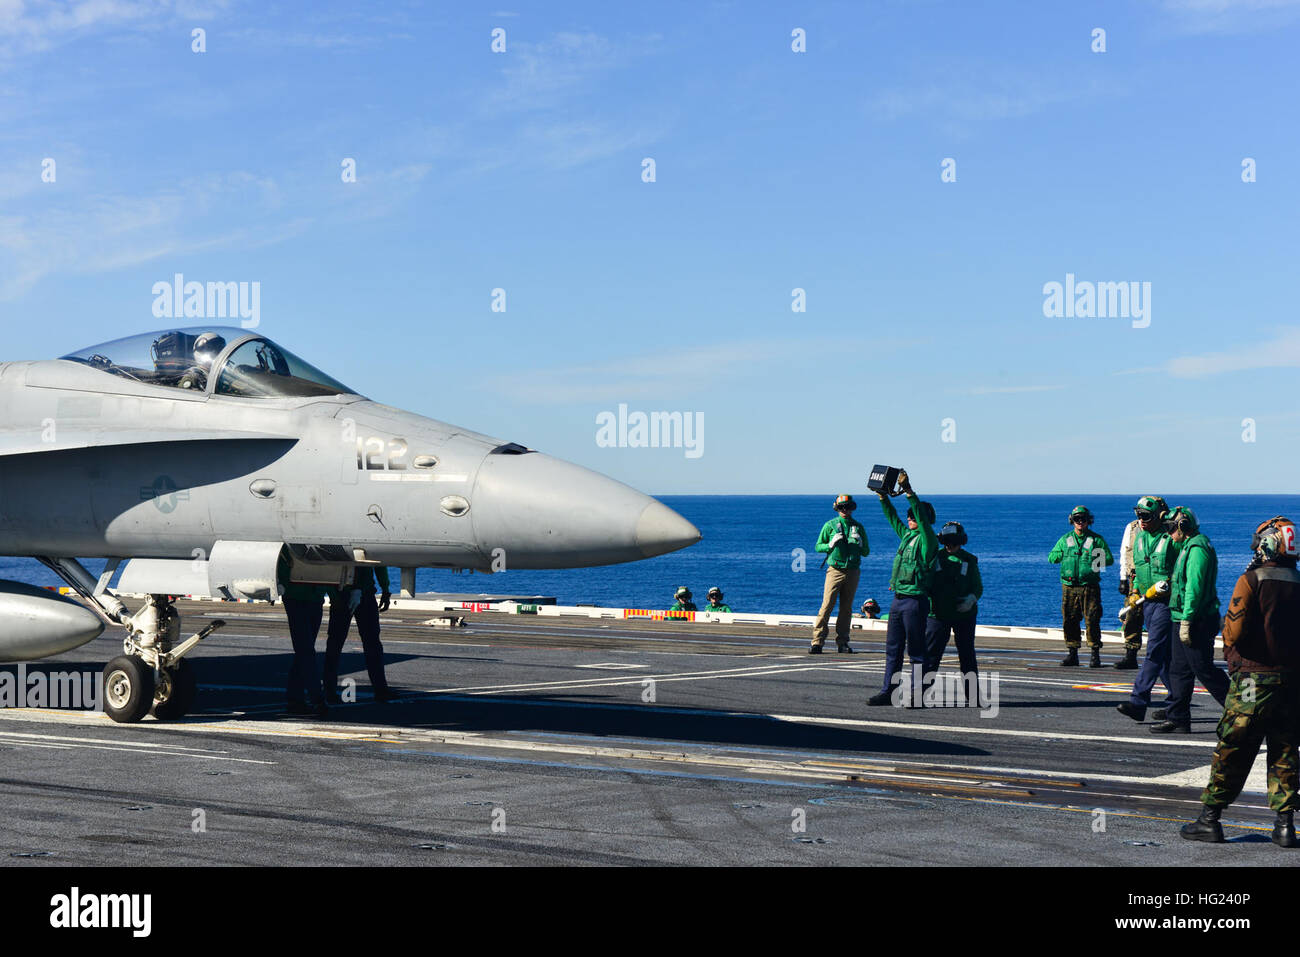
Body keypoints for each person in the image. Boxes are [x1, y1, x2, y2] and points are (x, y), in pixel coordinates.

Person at [1181, 516, 1300, 847]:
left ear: (1267, 544)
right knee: (1286, 750)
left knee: (1233, 747)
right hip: (1290, 681)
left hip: (1252, 680)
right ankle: (1285, 826)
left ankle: (1209, 820)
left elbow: (1232, 631)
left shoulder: (1252, 580)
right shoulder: (1298, 581)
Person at [1151, 506, 1229, 733]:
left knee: (1203, 668)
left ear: (1183, 526)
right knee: (1179, 670)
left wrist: (1187, 620)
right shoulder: (1186, 547)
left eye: (1170, 527)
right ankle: (1178, 719)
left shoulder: (1197, 550)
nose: (1168, 532)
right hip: (1182, 617)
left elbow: (1194, 589)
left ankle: (1241, 712)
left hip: (1196, 620)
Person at [868, 471, 937, 706]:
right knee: (893, 649)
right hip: (898, 600)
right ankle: (888, 691)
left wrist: (909, 492)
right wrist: (883, 498)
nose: (909, 519)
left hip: (915, 601)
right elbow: (893, 519)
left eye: (913, 516)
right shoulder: (907, 536)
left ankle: (918, 695)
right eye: (909, 517)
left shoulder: (928, 541)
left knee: (916, 651)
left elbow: (922, 520)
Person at [1117, 496, 1180, 723]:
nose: (1141, 520)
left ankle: (1138, 701)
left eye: (1146, 516)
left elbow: (1183, 568)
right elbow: (1137, 568)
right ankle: (1177, 702)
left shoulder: (1172, 538)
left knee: (1154, 651)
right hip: (1147, 602)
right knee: (1163, 658)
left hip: (1166, 602)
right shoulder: (1140, 537)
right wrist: (1133, 592)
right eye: (1139, 515)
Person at [1048, 505, 1114, 667]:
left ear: (1088, 521)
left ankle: (1094, 654)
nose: (1080, 522)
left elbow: (1109, 560)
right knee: (1069, 619)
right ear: (1072, 521)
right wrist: (1060, 555)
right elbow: (1051, 557)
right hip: (1069, 586)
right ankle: (1072, 652)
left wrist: (1097, 560)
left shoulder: (1096, 540)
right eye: (1077, 519)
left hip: (1089, 586)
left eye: (1083, 519)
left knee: (1092, 619)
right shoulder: (1065, 540)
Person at [924, 521, 982, 700]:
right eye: (948, 541)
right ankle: (920, 693)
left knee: (967, 655)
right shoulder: (934, 558)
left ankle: (972, 696)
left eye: (954, 541)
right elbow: (926, 584)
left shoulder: (969, 559)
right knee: (931, 655)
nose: (950, 545)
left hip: (964, 614)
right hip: (938, 614)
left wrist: (971, 599)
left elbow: (977, 586)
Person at [323, 565, 397, 704]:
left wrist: (333, 595)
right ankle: (380, 690)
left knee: (336, 644)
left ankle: (329, 691)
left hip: (349, 594)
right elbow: (379, 563)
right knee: (370, 644)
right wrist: (385, 589)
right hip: (357, 594)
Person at [811, 494, 869, 654]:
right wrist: (830, 544)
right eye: (842, 507)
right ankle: (817, 642)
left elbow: (866, 552)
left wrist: (861, 543)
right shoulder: (830, 525)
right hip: (835, 570)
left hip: (853, 570)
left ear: (852, 508)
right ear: (837, 508)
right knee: (827, 605)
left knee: (846, 609)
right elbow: (818, 546)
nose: (845, 510)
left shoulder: (858, 527)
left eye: (848, 507)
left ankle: (843, 642)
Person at [277, 550, 329, 718]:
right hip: (296, 597)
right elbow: (282, 560)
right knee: (306, 650)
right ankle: (316, 698)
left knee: (304, 651)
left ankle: (295, 699)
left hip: (314, 597)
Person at [1114, 515, 1145, 670]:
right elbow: (1124, 552)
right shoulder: (1131, 528)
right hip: (1134, 578)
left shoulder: (1165, 528)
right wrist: (1123, 578)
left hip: (1156, 578)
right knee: (1132, 615)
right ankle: (1131, 654)